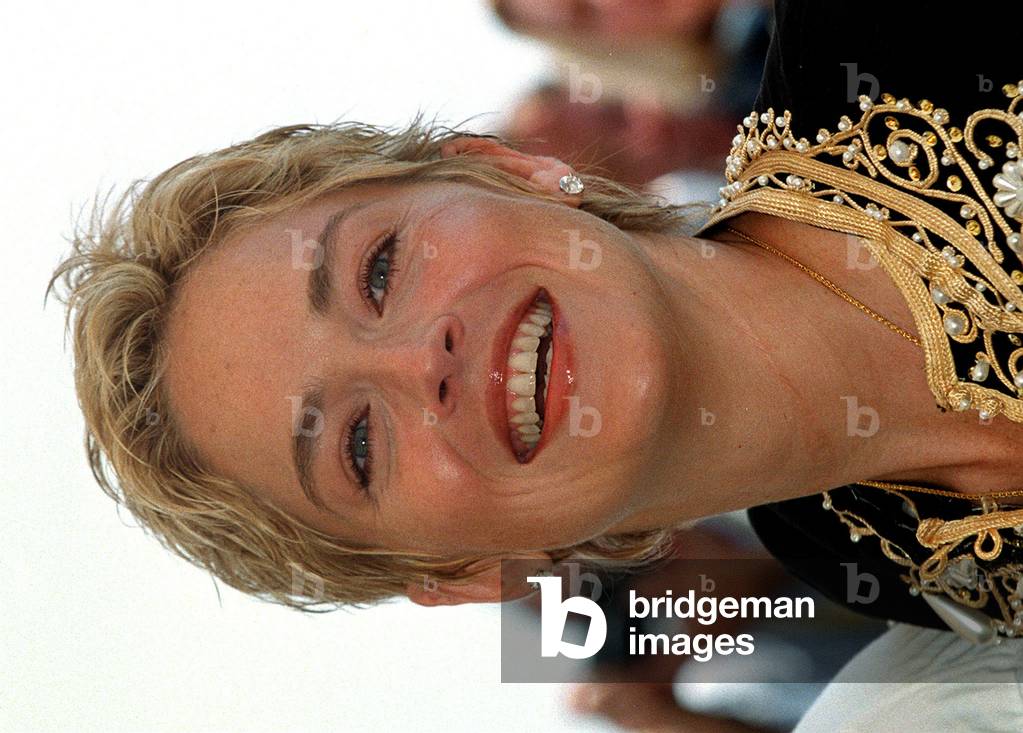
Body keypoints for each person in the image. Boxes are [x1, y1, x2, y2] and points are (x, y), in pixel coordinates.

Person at [48, 0, 1023, 708]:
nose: (417, 362)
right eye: (355, 445)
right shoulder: (867, 568)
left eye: (379, 271)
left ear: (507, 168)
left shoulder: (890, 43)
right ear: (473, 572)